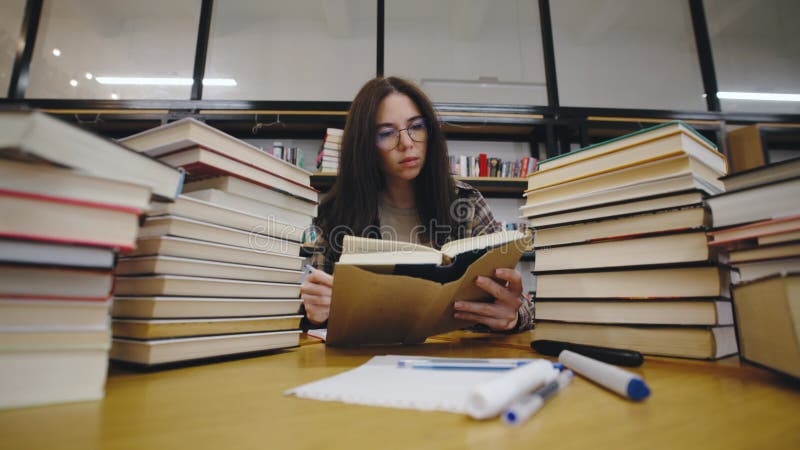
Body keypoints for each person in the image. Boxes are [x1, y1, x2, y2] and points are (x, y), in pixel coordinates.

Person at [301, 76, 533, 333]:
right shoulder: (337, 213)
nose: (407, 143)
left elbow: (520, 306)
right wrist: (315, 313)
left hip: (455, 360)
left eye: (417, 126)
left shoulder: (466, 204)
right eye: (387, 133)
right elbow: (313, 307)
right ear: (365, 144)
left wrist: (514, 316)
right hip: (366, 362)